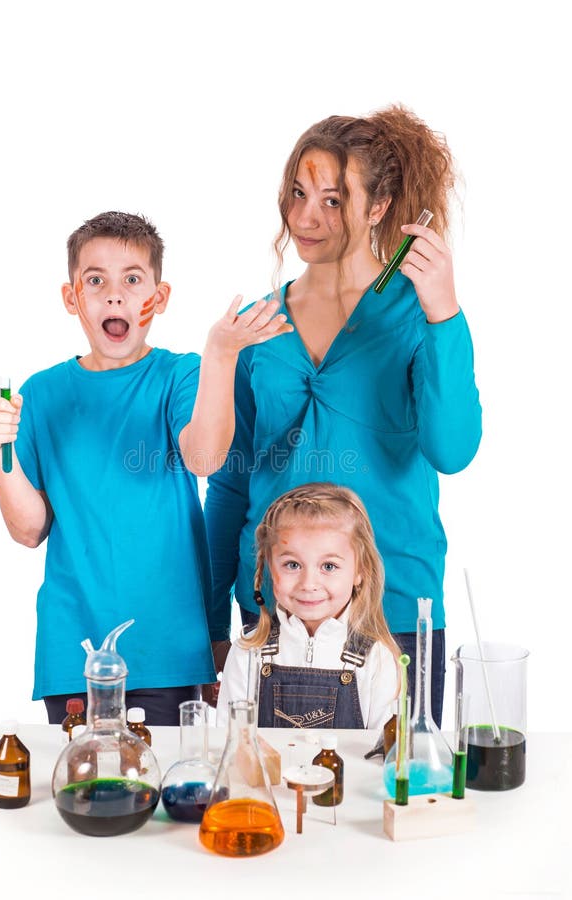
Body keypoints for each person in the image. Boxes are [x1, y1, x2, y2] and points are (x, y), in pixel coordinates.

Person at [205, 106, 482, 725]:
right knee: (268, 798)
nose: (306, 217)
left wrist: (444, 313)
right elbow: (227, 483)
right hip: (273, 611)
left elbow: (453, 449)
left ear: (378, 207)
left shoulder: (416, 313)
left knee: (391, 795)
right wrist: (210, 619)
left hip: (396, 607)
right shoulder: (257, 325)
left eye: (333, 201)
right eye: (298, 194)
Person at [0, 210, 291, 725]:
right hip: (72, 649)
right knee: (84, 793)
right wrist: (1, 449)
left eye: (132, 280)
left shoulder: (179, 375)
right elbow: (28, 529)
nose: (114, 296)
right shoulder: (39, 394)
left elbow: (205, 457)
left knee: (162, 796)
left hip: (166, 648)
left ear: (159, 298)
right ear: (72, 297)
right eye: (95, 281)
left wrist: (220, 354)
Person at [216, 483, 398, 729]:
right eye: (292, 565)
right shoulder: (248, 653)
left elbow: (383, 755)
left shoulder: (377, 659)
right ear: (270, 565)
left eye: (329, 566)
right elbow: (232, 747)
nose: (309, 584)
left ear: (360, 572)